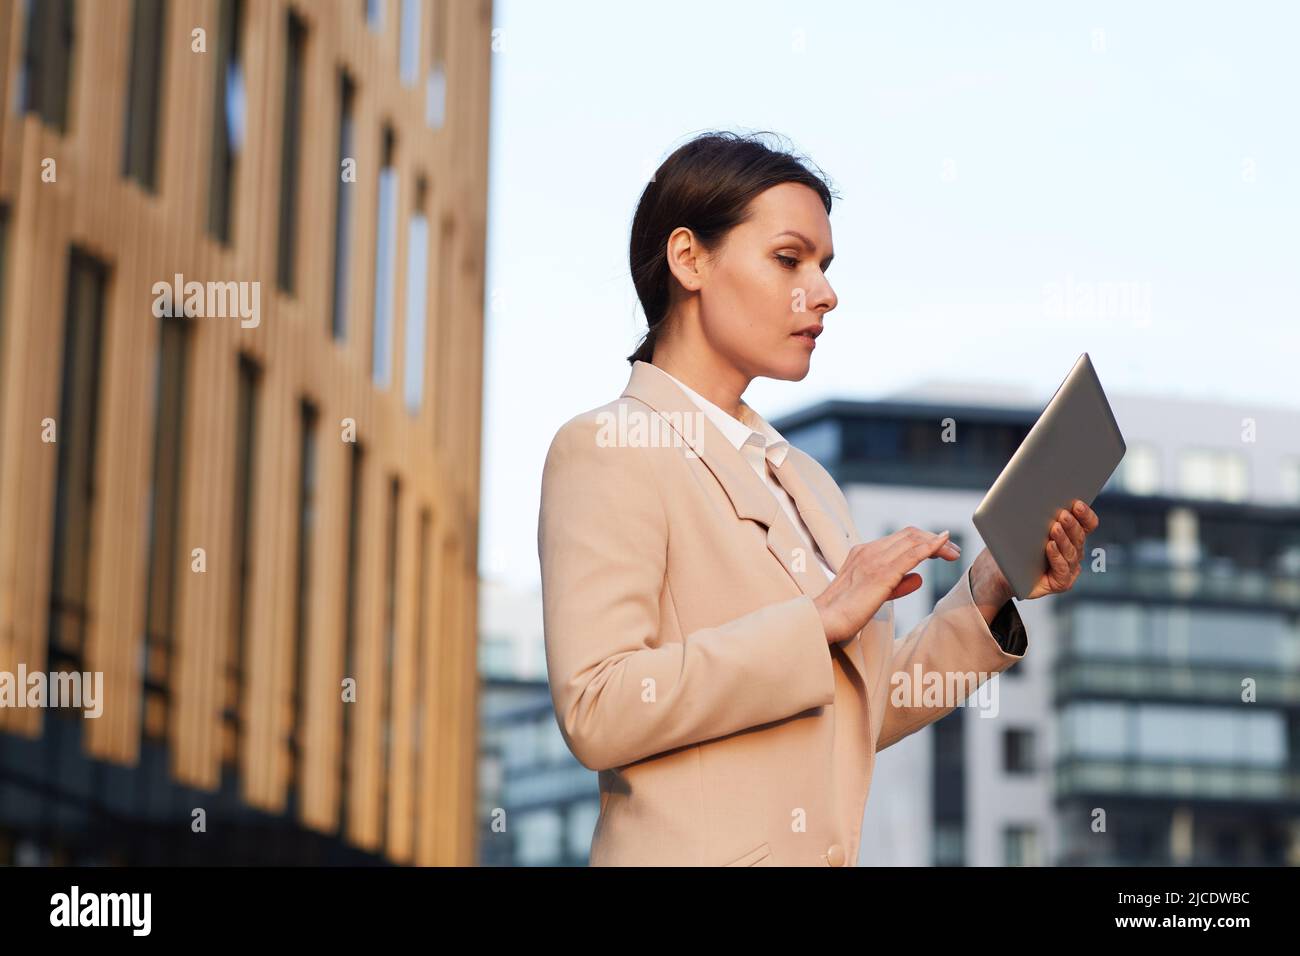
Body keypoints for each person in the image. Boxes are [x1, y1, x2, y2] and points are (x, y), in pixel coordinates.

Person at [537, 130, 1099, 866]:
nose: (825, 293)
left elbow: (862, 703)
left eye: (825, 266)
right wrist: (817, 621)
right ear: (689, 259)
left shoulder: (806, 481)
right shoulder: (608, 448)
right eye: (788, 259)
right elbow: (599, 706)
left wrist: (988, 590)